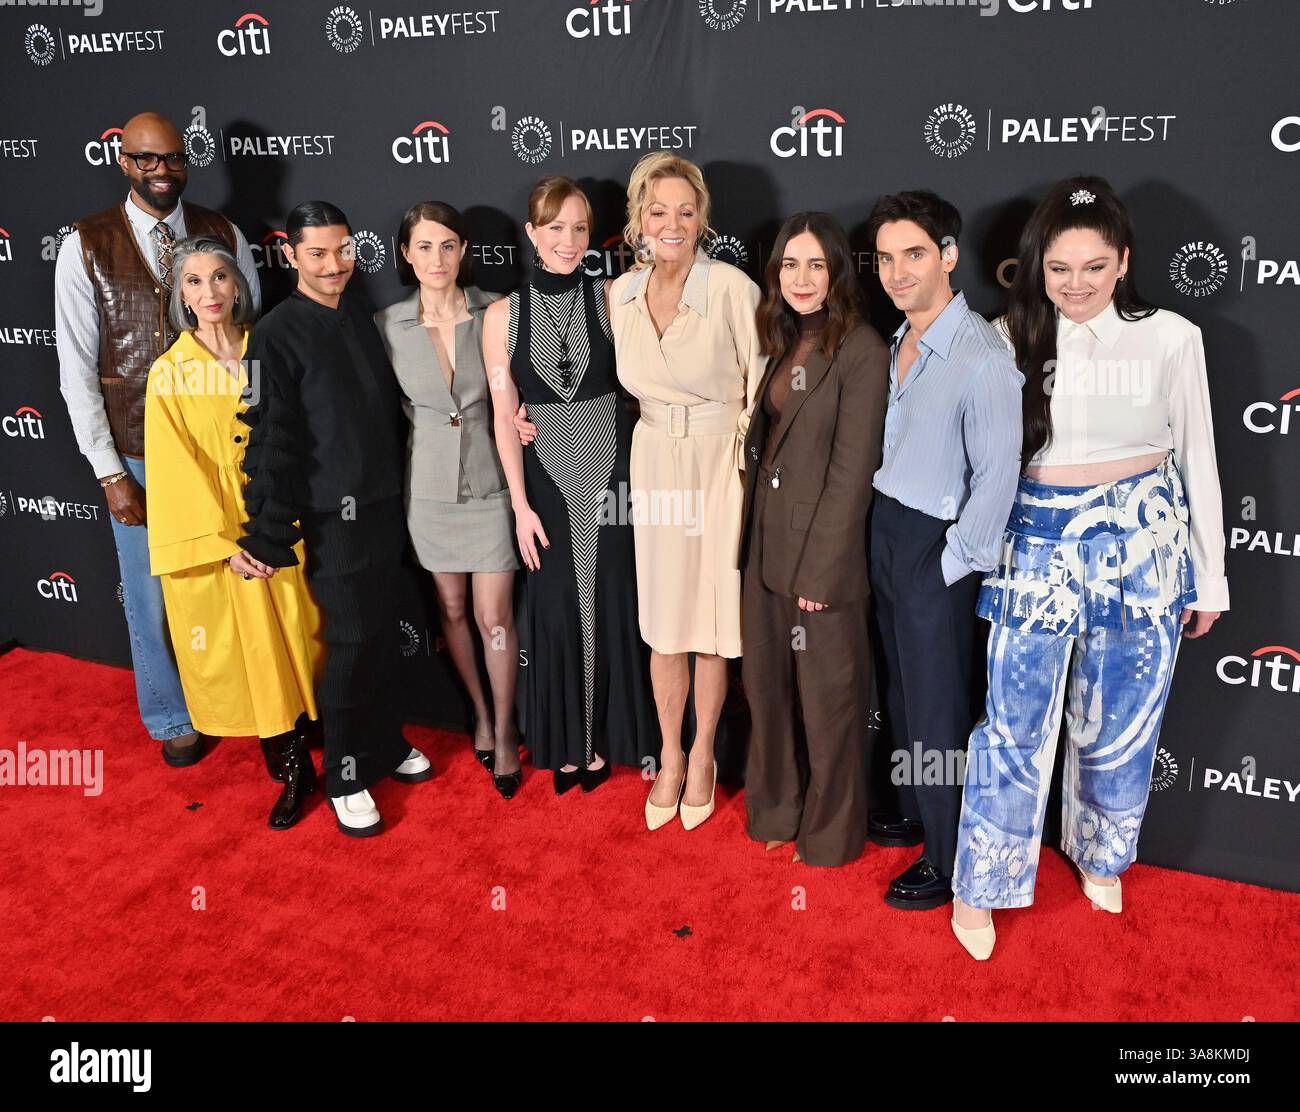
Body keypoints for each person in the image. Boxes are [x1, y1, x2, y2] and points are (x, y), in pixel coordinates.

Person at [950, 176, 1228, 960]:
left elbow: (1199, 461)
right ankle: (984, 883)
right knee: (1013, 723)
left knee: (1125, 716)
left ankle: (1102, 855)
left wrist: (1210, 578)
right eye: (1060, 267)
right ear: (1035, 265)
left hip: (1146, 542)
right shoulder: (1004, 339)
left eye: (1096, 267)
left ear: (1125, 261)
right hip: (1034, 543)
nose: (1076, 285)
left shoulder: (1172, 337)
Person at [54, 110, 261, 768]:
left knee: (239, 579)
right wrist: (110, 474)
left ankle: (251, 700)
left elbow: (253, 331)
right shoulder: (86, 243)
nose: (162, 171)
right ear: (123, 161)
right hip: (140, 453)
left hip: (227, 442)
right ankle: (171, 713)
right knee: (150, 593)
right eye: (147, 160)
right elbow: (75, 368)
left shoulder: (221, 232)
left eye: (173, 158)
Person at [237, 200, 432, 837]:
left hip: (385, 507)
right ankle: (347, 774)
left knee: (381, 634)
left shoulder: (359, 314)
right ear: (289, 255)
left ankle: (383, 742)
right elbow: (270, 438)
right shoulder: (271, 334)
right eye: (316, 253)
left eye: (343, 250)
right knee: (349, 642)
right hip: (333, 517)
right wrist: (267, 534)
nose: (333, 264)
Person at [867, 190, 1024, 909]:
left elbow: (998, 481)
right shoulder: (898, 337)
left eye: (915, 254)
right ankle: (909, 811)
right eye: (886, 258)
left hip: (938, 546)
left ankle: (946, 854)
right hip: (887, 529)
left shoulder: (984, 356)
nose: (897, 272)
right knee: (900, 689)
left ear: (950, 256)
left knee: (936, 706)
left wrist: (948, 566)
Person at [482, 176, 658, 799]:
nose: (567, 240)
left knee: (611, 603)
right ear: (531, 233)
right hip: (545, 485)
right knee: (557, 611)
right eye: (555, 227)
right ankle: (566, 745)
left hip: (612, 473)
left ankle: (612, 739)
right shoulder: (502, 316)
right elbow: (505, 417)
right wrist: (521, 508)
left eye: (580, 228)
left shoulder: (612, 298)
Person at [610, 153, 766, 832]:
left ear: (702, 217)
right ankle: (668, 756)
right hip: (653, 460)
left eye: (685, 210)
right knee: (665, 622)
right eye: (657, 210)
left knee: (710, 621)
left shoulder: (732, 287)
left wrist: (747, 477)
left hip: (717, 464)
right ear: (638, 218)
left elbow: (761, 389)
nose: (671, 223)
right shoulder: (619, 294)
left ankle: (703, 755)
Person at [144, 235, 322, 829]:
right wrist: (226, 546)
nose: (209, 292)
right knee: (255, 648)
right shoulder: (170, 374)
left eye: (218, 277)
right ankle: (291, 760)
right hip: (224, 528)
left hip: (284, 514)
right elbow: (175, 472)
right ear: (181, 295)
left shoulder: (264, 348)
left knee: (302, 630)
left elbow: (298, 431)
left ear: (238, 281)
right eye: (193, 282)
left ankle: (311, 732)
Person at [739, 213, 890, 866]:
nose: (801, 279)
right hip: (763, 548)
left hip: (821, 564)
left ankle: (829, 835)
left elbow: (853, 473)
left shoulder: (862, 349)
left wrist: (821, 577)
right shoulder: (779, 336)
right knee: (767, 692)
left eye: (816, 265)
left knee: (829, 707)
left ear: (837, 271)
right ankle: (776, 809)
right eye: (789, 266)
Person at [376, 202, 519, 782]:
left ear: (464, 251)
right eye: (425, 247)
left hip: (492, 485)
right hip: (427, 492)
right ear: (406, 255)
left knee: (494, 616)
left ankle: (506, 734)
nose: (438, 259)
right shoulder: (386, 325)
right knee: (453, 610)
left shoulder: (500, 312)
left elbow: (530, 385)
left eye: (449, 245)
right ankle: (480, 717)